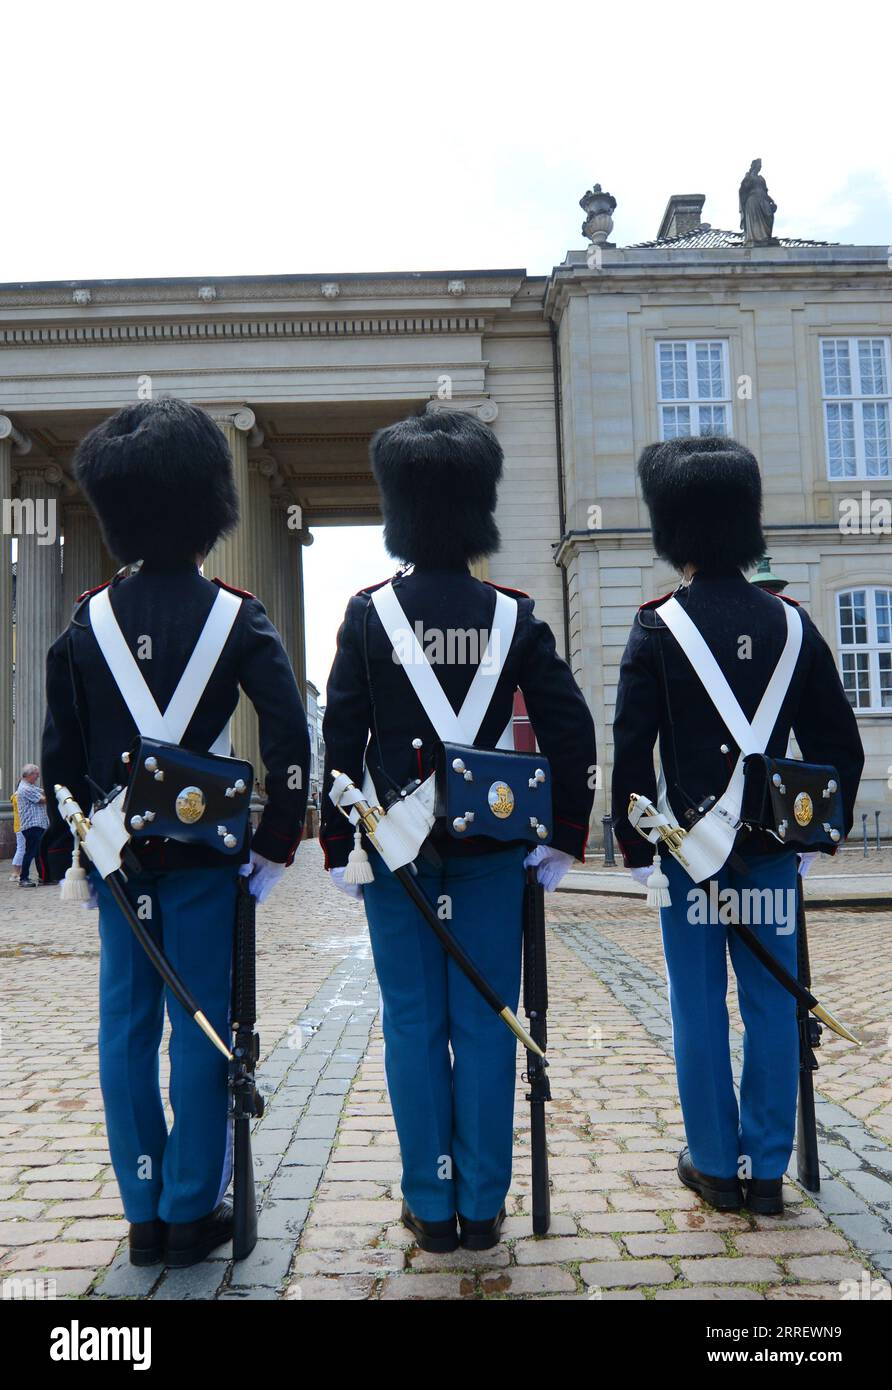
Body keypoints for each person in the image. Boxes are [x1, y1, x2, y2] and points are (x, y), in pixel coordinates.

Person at [41, 397, 310, 1267]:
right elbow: (287, 733)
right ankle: (194, 1206)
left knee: (126, 1030)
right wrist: (274, 843)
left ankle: (144, 1209)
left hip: (122, 864)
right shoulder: (237, 615)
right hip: (203, 859)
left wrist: (87, 845)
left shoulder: (85, 621)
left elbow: (61, 756)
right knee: (204, 1030)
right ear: (204, 508)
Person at [321, 409, 596, 1252]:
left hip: (399, 855)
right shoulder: (511, 615)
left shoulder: (370, 614)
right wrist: (563, 834)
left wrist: (339, 846)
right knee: (487, 1022)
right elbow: (571, 727)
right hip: (490, 854)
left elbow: (339, 737)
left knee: (412, 1025)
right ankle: (482, 1206)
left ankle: (430, 1209)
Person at [611, 435, 864, 1215]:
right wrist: (816, 836)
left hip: (691, 857)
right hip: (772, 858)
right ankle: (766, 1170)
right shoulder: (792, 624)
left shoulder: (658, 627)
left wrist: (635, 853)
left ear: (674, 529)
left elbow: (628, 750)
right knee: (772, 1005)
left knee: (697, 1008)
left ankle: (717, 1164)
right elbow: (838, 746)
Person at [15, 765, 49, 886]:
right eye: (36, 774)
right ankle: (23, 878)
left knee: (38, 852)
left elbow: (42, 791)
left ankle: (43, 877)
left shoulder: (30, 786)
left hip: (37, 825)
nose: (38, 776)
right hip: (32, 825)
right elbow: (43, 799)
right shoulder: (25, 788)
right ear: (29, 774)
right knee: (30, 852)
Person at [9, 786, 26, 880]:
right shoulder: (17, 796)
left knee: (21, 848)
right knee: (21, 849)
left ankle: (16, 872)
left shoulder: (15, 796)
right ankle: (15, 873)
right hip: (21, 826)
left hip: (19, 826)